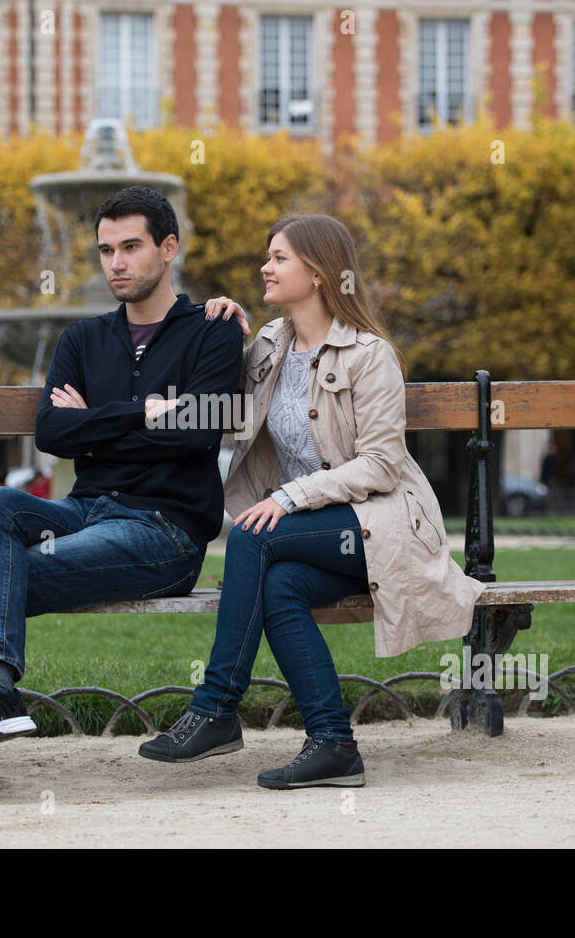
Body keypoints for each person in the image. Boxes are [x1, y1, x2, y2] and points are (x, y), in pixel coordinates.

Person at [0, 185, 244, 801]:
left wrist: (102, 423)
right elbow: (53, 432)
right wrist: (148, 413)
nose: (116, 262)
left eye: (131, 247)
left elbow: (197, 434)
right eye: (105, 249)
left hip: (163, 533)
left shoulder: (211, 333)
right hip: (84, 512)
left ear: (168, 249)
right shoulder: (82, 340)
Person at [137, 214, 486, 789]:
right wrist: (215, 330)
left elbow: (381, 464)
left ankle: (218, 706)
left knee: (252, 533)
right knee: (281, 587)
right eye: (267, 256)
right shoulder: (271, 344)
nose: (264, 267)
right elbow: (224, 405)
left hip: (381, 525)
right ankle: (334, 744)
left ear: (319, 273)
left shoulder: (370, 355)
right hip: (315, 528)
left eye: (278, 258)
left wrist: (292, 496)